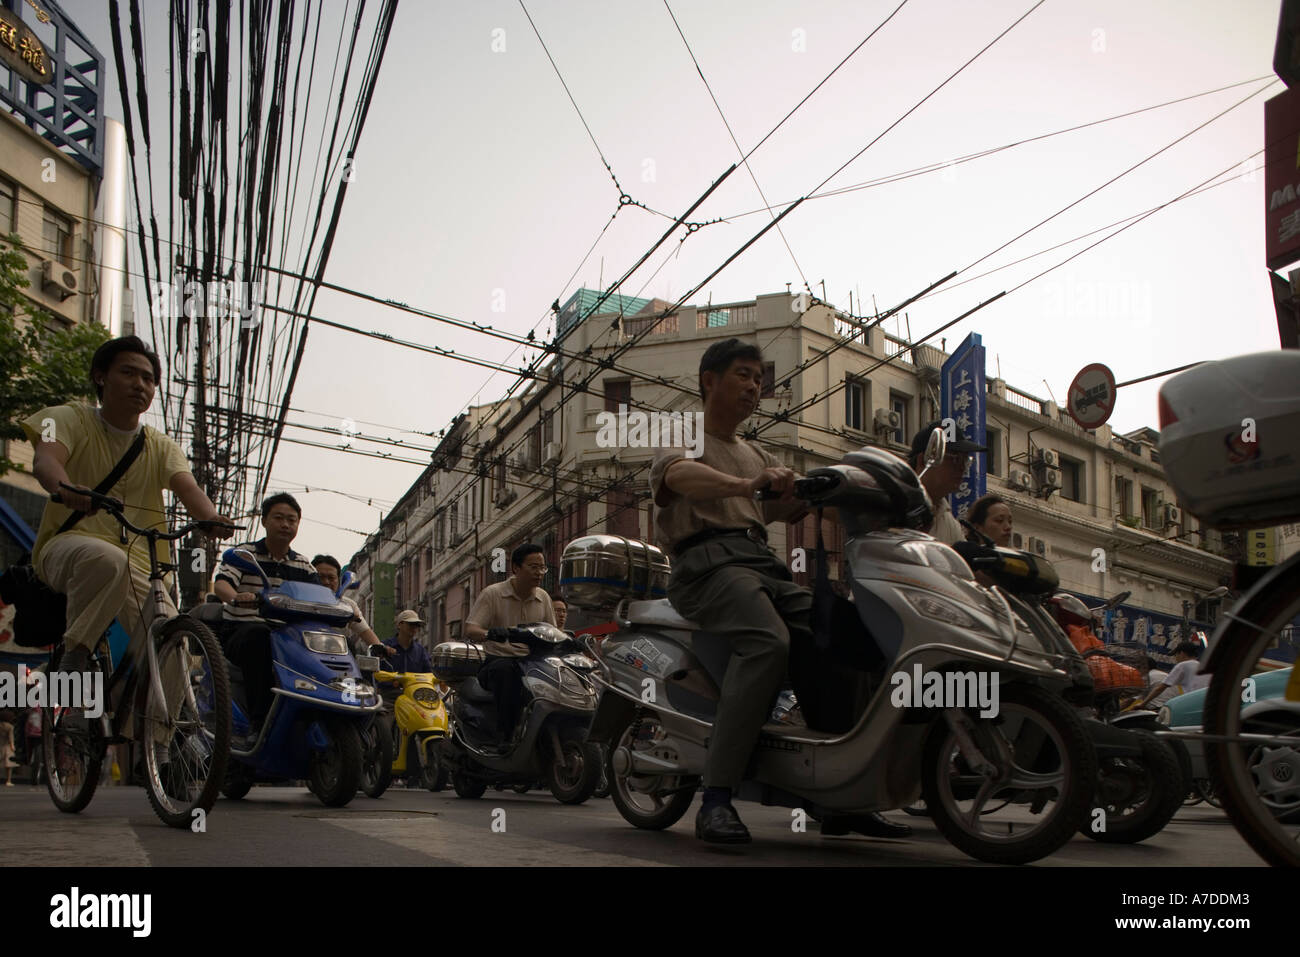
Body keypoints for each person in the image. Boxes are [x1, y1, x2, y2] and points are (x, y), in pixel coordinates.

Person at [652, 337, 909, 844]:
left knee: (847, 637)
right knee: (768, 641)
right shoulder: (685, 435)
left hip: (758, 563)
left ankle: (840, 799)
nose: (753, 387)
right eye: (743, 375)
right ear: (709, 380)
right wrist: (747, 486)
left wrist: (810, 499)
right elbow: (679, 478)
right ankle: (717, 798)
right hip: (706, 566)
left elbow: (761, 513)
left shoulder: (755, 450)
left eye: (757, 379)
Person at [21, 336, 234, 757]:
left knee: (172, 637)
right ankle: (75, 665)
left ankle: (161, 747)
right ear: (101, 377)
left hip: (141, 561)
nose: (141, 384)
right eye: (129, 373)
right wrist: (65, 486)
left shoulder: (160, 445)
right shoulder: (64, 418)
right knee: (108, 559)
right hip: (67, 546)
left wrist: (211, 518)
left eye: (149, 378)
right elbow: (45, 459)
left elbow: (188, 489)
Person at [213, 493, 320, 736]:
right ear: (264, 521)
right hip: (243, 631)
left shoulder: (303, 565)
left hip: (288, 637)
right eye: (279, 518)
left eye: (292, 520)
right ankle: (260, 724)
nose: (285, 524)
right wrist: (236, 597)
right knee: (260, 636)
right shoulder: (244, 555)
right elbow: (222, 585)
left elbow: (320, 597)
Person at [464, 544, 557, 740]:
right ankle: (506, 735)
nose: (539, 573)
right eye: (533, 567)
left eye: (542, 567)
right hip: (496, 661)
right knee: (506, 672)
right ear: (515, 568)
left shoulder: (544, 598)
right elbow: (471, 629)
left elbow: (553, 633)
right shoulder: (492, 593)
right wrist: (491, 634)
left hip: (533, 663)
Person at [909, 422, 987, 546]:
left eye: (965, 460)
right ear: (923, 460)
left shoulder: (948, 521)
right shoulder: (894, 503)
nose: (962, 467)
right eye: (955, 458)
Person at [311, 554, 390, 659]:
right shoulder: (299, 600)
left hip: (339, 656)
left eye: (331, 578)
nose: (326, 582)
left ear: (339, 581)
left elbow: (365, 631)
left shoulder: (348, 605)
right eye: (321, 577)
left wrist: (380, 648)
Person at [1130, 640, 1210, 710]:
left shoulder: (1183, 665)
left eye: (1176, 655)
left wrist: (1142, 704)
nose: (1176, 658)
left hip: (1192, 704)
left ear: (1181, 653)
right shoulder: (1203, 667)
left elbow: (1161, 688)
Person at [0, 711, 15, 786]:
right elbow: (11, 737)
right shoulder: (10, 726)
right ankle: (8, 780)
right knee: (9, 765)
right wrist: (12, 746)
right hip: (7, 747)